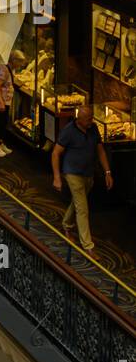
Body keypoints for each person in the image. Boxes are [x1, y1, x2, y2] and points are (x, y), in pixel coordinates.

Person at [52, 105, 113, 252]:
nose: (91, 122)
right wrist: (57, 177)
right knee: (83, 209)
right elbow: (55, 153)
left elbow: (100, 151)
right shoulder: (69, 131)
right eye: (87, 119)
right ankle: (88, 246)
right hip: (72, 173)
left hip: (88, 174)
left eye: (91, 118)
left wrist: (107, 172)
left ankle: (66, 225)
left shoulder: (93, 128)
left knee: (78, 203)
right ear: (78, 120)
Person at [0, 61, 14, 157]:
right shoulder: (4, 69)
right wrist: (1, 102)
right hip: (0, 101)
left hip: (5, 101)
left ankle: (0, 143)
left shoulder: (8, 68)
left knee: (3, 122)